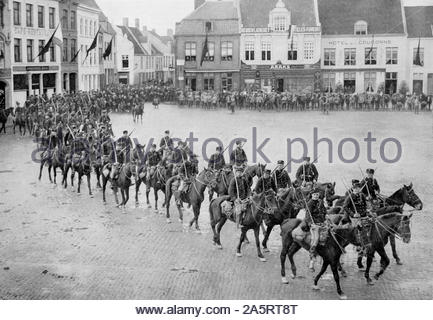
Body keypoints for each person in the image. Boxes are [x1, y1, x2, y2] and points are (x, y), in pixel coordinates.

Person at [300, 188, 327, 263]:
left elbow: (324, 211)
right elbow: (308, 215)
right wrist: (311, 224)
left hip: (322, 222)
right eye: (314, 194)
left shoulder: (320, 201)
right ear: (312, 195)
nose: (316, 196)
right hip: (314, 224)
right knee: (316, 238)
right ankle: (312, 252)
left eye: (317, 194)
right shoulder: (310, 203)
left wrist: (325, 216)